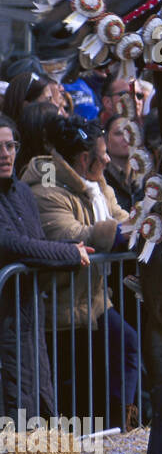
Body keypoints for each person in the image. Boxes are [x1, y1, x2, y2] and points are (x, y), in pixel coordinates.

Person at [23, 115, 138, 427]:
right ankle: (73, 441)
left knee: (126, 346)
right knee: (72, 385)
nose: (107, 159)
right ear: (85, 159)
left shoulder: (97, 184)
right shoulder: (45, 188)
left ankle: (119, 429)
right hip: (61, 309)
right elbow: (71, 235)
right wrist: (123, 230)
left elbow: (120, 216)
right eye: (103, 154)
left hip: (95, 302)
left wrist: (139, 222)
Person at [0, 114, 90, 422]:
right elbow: (11, 244)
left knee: (39, 392)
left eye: (10, 145)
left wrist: (68, 250)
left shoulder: (23, 193)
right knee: (13, 398)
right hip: (5, 314)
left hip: (30, 310)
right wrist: (69, 253)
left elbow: (35, 242)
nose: (5, 154)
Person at [102, 113, 138, 207]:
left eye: (130, 132)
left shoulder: (144, 175)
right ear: (106, 139)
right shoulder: (100, 177)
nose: (126, 138)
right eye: (119, 133)